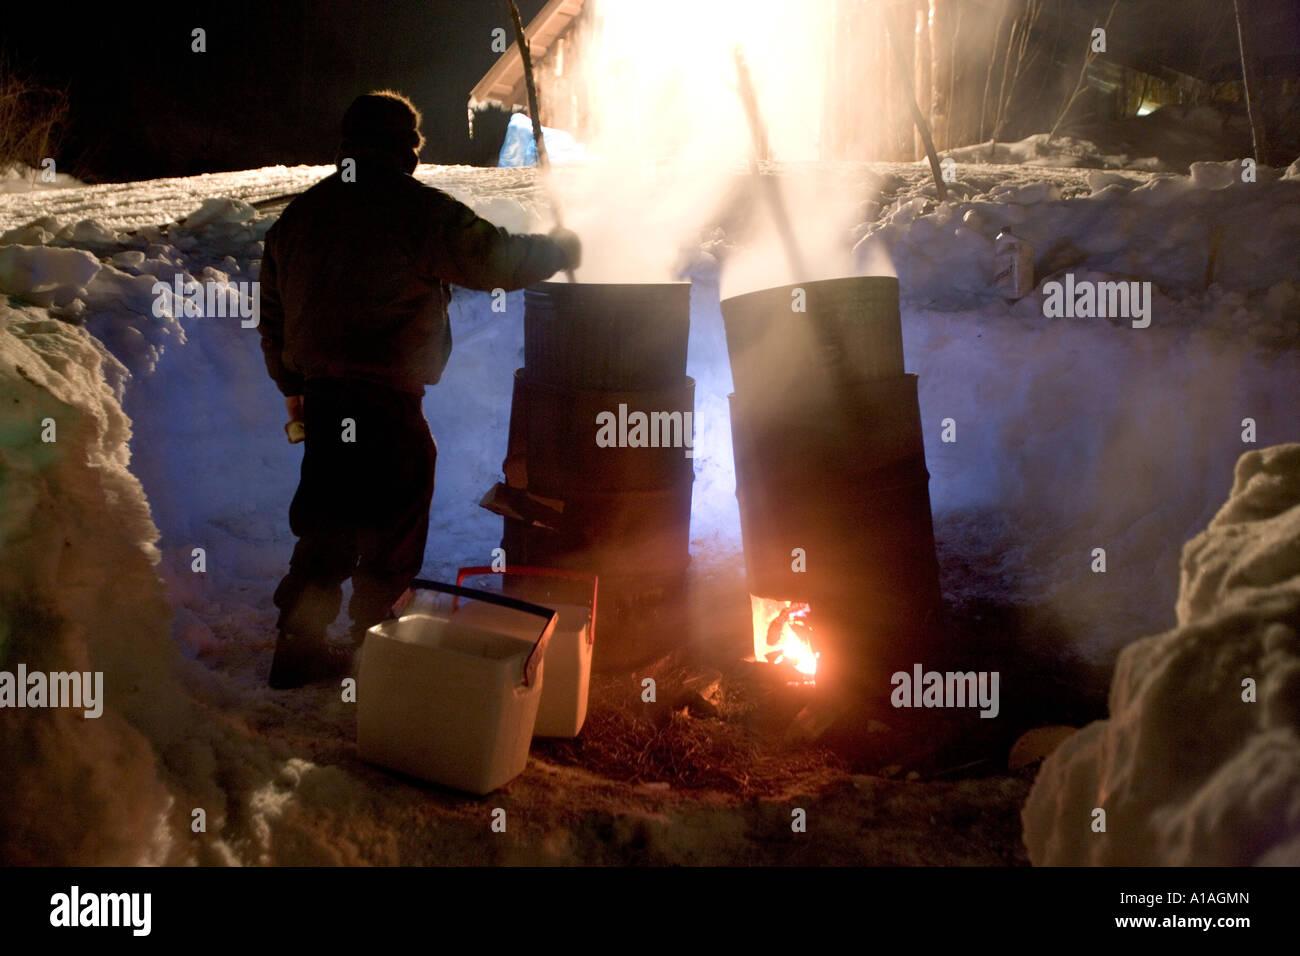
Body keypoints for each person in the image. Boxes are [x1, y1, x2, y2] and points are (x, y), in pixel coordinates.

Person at [258, 90, 580, 688]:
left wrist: (291, 386)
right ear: (406, 149)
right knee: (391, 523)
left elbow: (272, 318)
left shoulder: (298, 219)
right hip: (386, 400)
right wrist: (558, 250)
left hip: (326, 402)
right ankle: (374, 649)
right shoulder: (416, 210)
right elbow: (494, 261)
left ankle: (297, 648)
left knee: (327, 522)